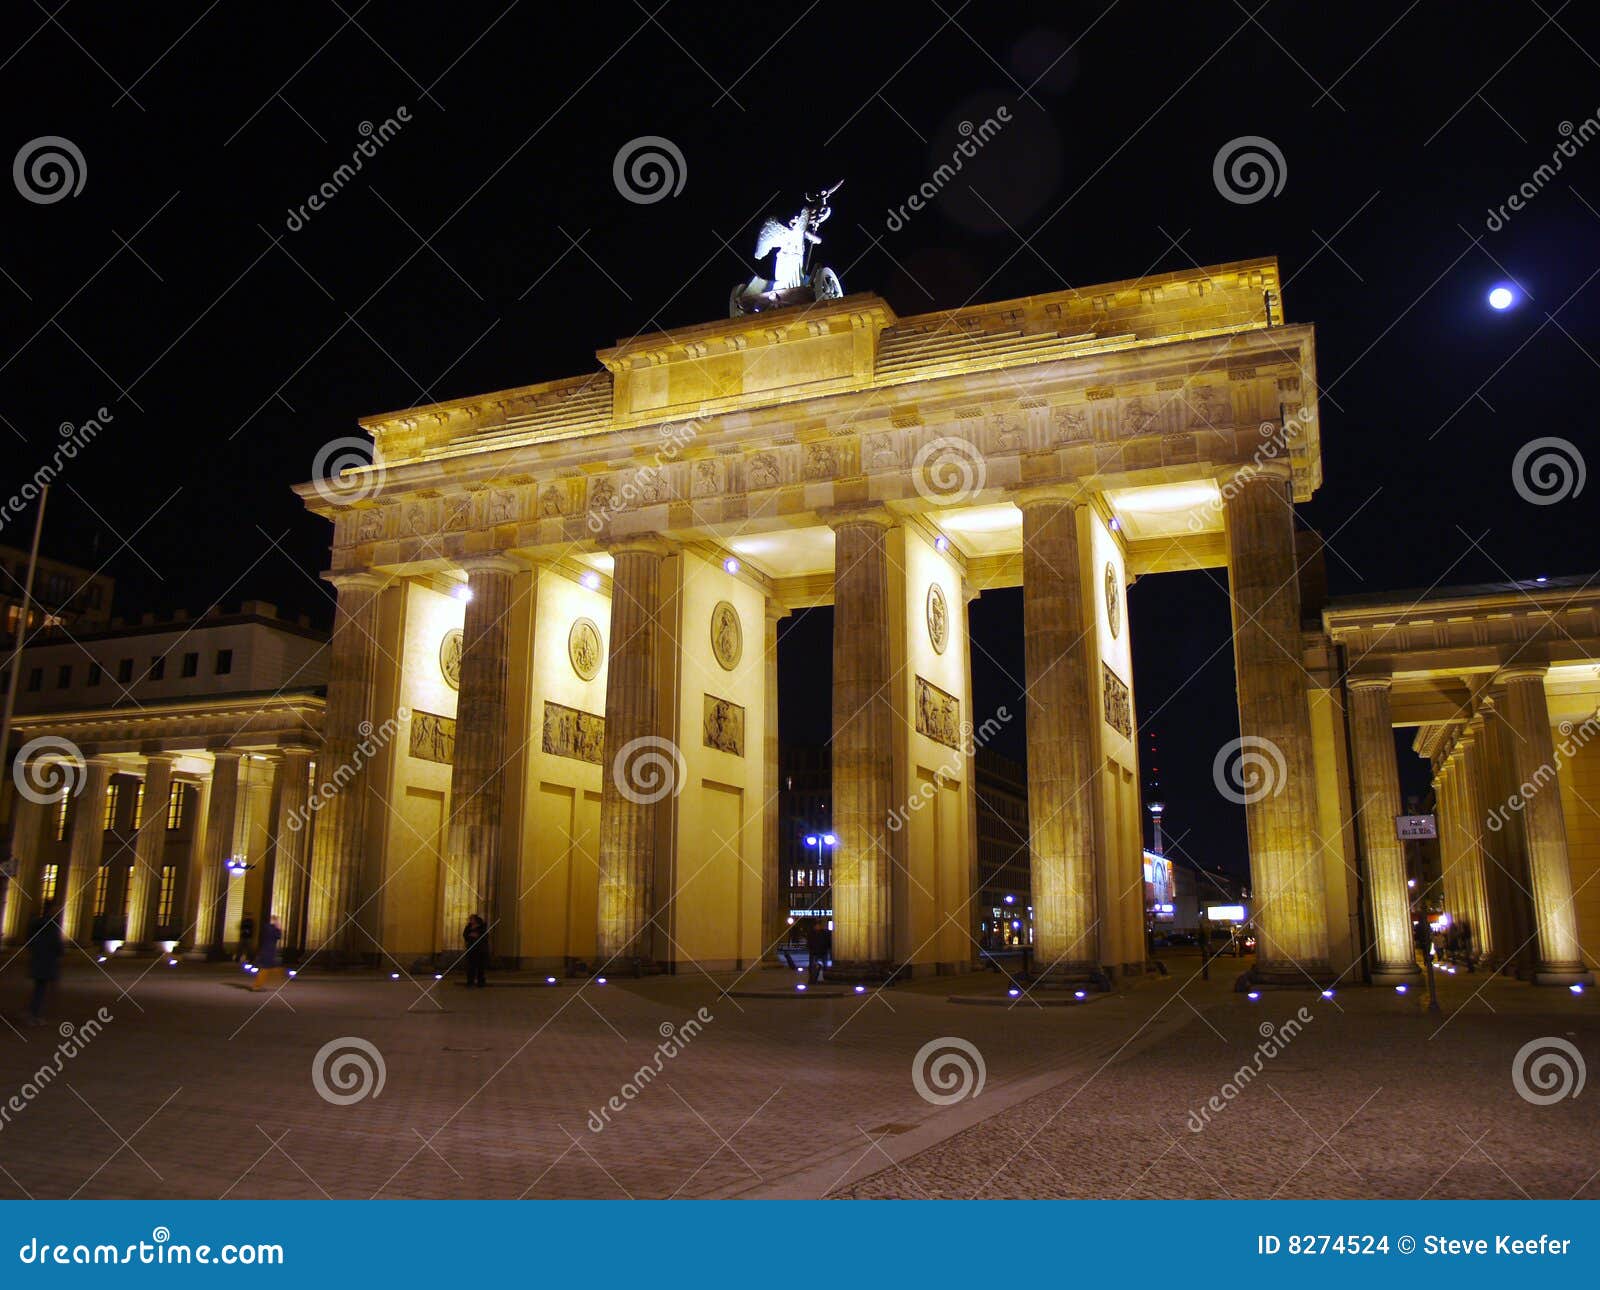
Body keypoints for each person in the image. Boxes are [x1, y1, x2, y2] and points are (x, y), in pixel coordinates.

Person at [25, 903, 64, 1025]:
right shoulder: (52, 926)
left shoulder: (37, 925)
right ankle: (35, 1015)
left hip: (38, 961)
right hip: (48, 962)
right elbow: (57, 945)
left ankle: (33, 1013)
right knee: (42, 990)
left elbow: (30, 942)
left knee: (39, 989)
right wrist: (60, 952)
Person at [252, 915, 284, 991]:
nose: (278, 922)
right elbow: (278, 936)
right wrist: (278, 928)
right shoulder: (271, 928)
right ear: (273, 920)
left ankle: (258, 985)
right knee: (265, 968)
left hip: (267, 949)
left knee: (266, 968)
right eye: (277, 920)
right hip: (268, 950)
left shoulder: (267, 927)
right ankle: (257, 986)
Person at [463, 914, 489, 988]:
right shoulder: (468, 927)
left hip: (480, 950)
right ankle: (470, 982)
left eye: (472, 919)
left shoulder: (482, 927)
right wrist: (469, 936)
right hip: (471, 949)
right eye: (470, 919)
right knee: (471, 966)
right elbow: (465, 935)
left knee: (481, 966)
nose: (471, 920)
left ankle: (481, 982)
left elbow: (485, 937)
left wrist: (477, 936)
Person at [805, 917, 828, 984]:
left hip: (822, 952)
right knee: (812, 966)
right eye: (816, 925)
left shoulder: (823, 933)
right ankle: (812, 978)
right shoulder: (812, 933)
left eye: (818, 925)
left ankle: (824, 978)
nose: (817, 927)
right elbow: (809, 942)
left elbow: (826, 941)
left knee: (824, 966)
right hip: (814, 952)